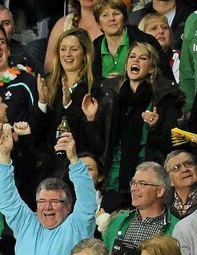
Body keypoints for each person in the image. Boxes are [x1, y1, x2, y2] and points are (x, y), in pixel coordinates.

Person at [0, 124, 98, 255]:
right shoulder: (27, 224)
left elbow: (87, 201)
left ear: (68, 207)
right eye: (42, 201)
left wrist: (75, 160)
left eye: (54, 202)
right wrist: (4, 157)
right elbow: (7, 199)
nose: (47, 207)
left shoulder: (76, 227)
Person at [87, 43, 184, 199]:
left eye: (143, 58)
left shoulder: (164, 99)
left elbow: (169, 145)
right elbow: (98, 143)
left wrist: (155, 126)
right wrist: (91, 118)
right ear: (126, 65)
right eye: (132, 57)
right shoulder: (109, 95)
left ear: (151, 68)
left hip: (147, 176)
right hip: (113, 177)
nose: (136, 61)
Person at [36, 28, 98, 178]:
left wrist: (69, 105)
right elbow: (38, 132)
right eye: (63, 49)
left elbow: (93, 138)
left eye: (73, 49)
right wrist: (42, 102)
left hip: (79, 167)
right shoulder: (48, 83)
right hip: (49, 169)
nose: (67, 54)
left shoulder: (94, 88)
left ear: (85, 53)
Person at [91, 0, 167, 79]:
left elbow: (164, 77)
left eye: (116, 13)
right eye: (105, 15)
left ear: (124, 19)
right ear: (98, 24)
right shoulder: (93, 48)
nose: (111, 19)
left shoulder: (146, 41)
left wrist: (126, 80)